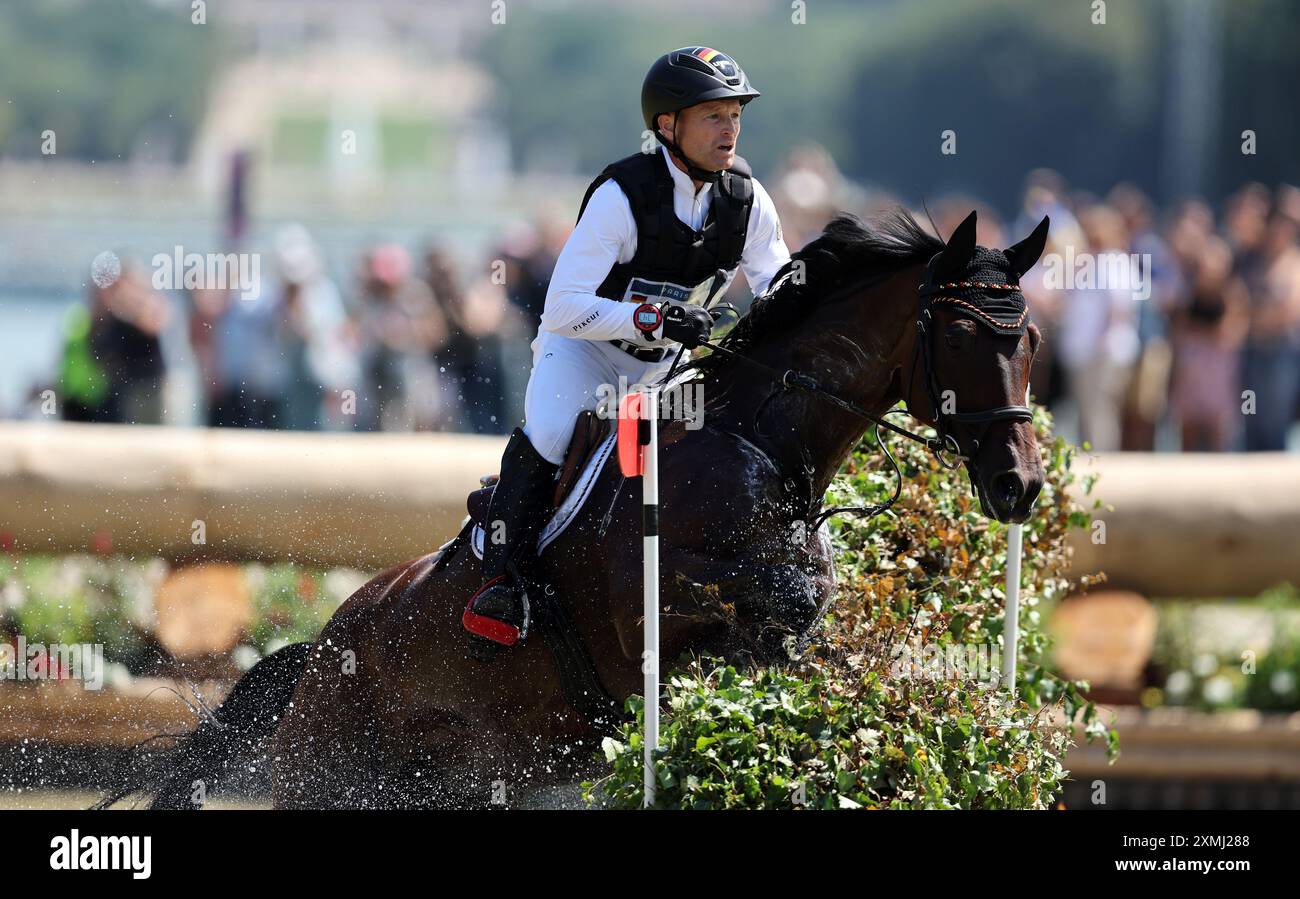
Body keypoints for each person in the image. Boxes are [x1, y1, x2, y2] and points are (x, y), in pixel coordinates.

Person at [463, 46, 792, 648]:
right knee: (556, 432)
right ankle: (503, 580)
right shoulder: (622, 195)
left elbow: (779, 286)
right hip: (584, 352)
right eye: (712, 116)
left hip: (667, 368)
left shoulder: (747, 200)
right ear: (668, 126)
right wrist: (656, 318)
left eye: (735, 115)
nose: (729, 130)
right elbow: (562, 305)